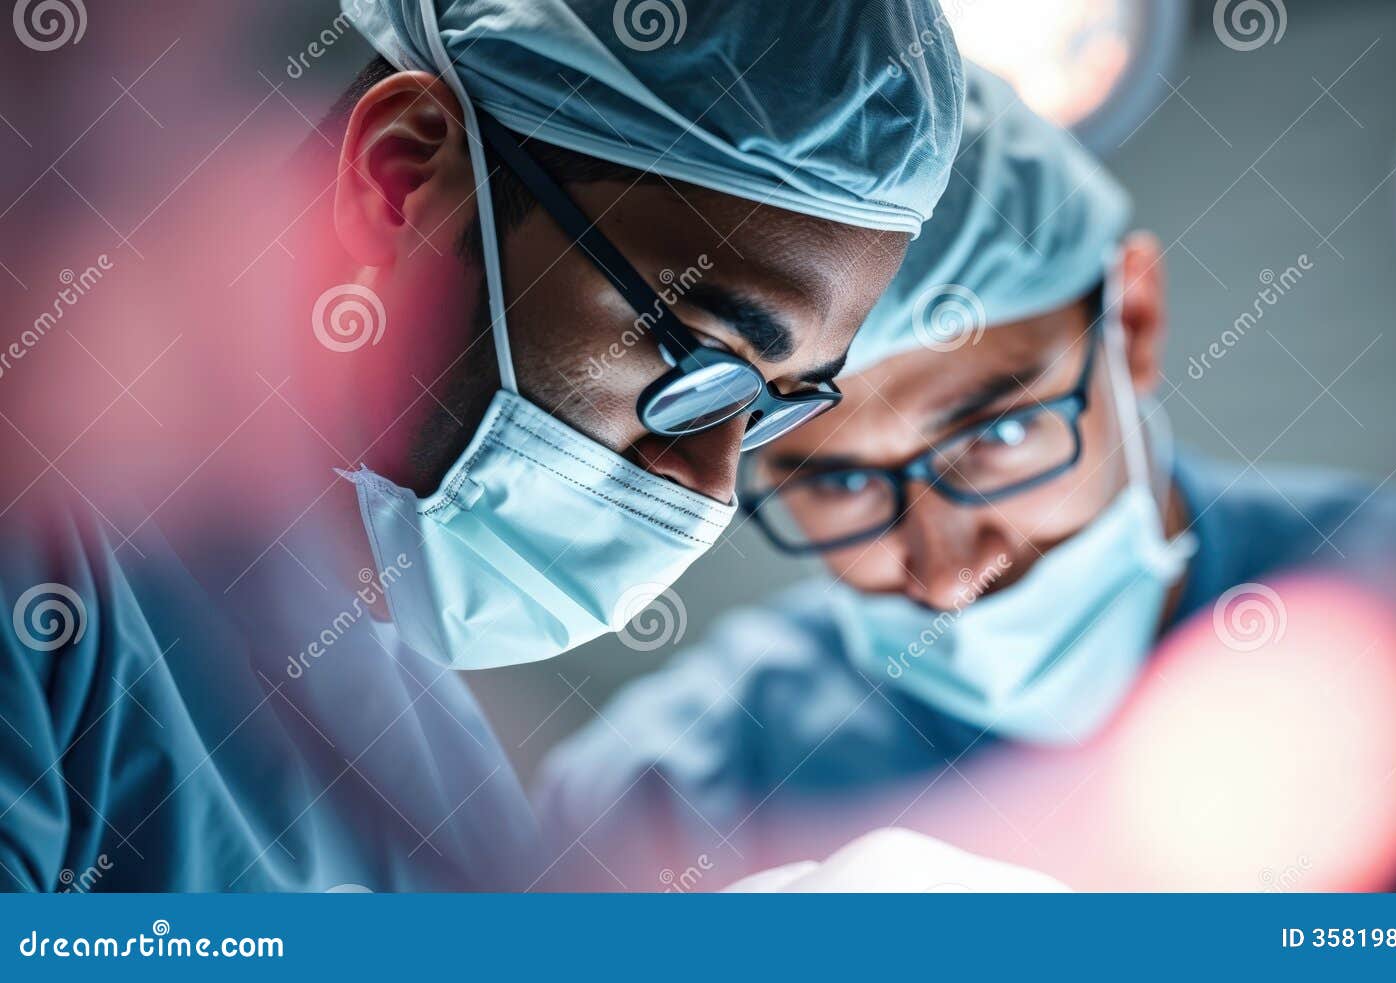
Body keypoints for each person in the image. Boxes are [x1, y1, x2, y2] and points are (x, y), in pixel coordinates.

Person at [0, 0, 963, 892]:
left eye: (771, 408)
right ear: (404, 176)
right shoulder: (51, 542)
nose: (711, 485)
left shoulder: (414, 729)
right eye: (703, 364)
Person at [529, 65, 1396, 891]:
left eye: (1000, 433)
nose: (944, 574)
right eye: (841, 486)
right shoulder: (670, 797)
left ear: (1130, 323)